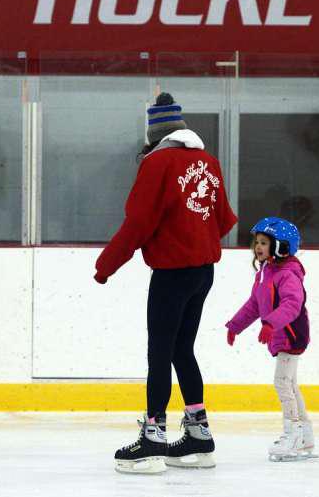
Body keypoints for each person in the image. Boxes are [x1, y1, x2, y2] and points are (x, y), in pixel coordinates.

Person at [94, 92, 237, 474]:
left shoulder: (157, 164)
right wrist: (194, 234)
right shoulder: (208, 161)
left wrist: (105, 266)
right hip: (203, 271)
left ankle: (153, 436)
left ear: (154, 132)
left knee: (160, 351)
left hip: (172, 273)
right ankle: (198, 433)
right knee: (182, 350)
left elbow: (138, 224)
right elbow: (224, 219)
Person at [225, 216, 315, 462]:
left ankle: (292, 433)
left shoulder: (288, 274)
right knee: (291, 384)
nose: (258, 247)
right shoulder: (266, 272)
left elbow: (293, 304)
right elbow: (255, 304)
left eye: (264, 243)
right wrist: (235, 326)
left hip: (291, 334)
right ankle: (305, 436)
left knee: (281, 383)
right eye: (257, 243)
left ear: (281, 245)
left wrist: (270, 324)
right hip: (279, 332)